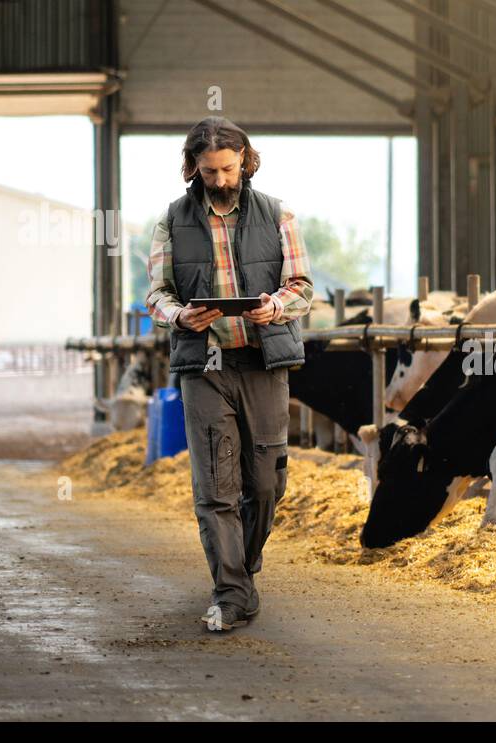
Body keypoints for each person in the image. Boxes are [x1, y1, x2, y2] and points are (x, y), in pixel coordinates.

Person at [145, 116, 313, 632]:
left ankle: (242, 565)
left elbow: (304, 287)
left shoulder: (278, 214)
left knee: (265, 483)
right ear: (192, 165)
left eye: (227, 167)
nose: (219, 179)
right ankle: (232, 592)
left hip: (262, 361)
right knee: (216, 486)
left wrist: (276, 307)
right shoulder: (171, 222)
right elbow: (156, 294)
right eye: (209, 170)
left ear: (244, 158)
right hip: (206, 368)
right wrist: (180, 316)